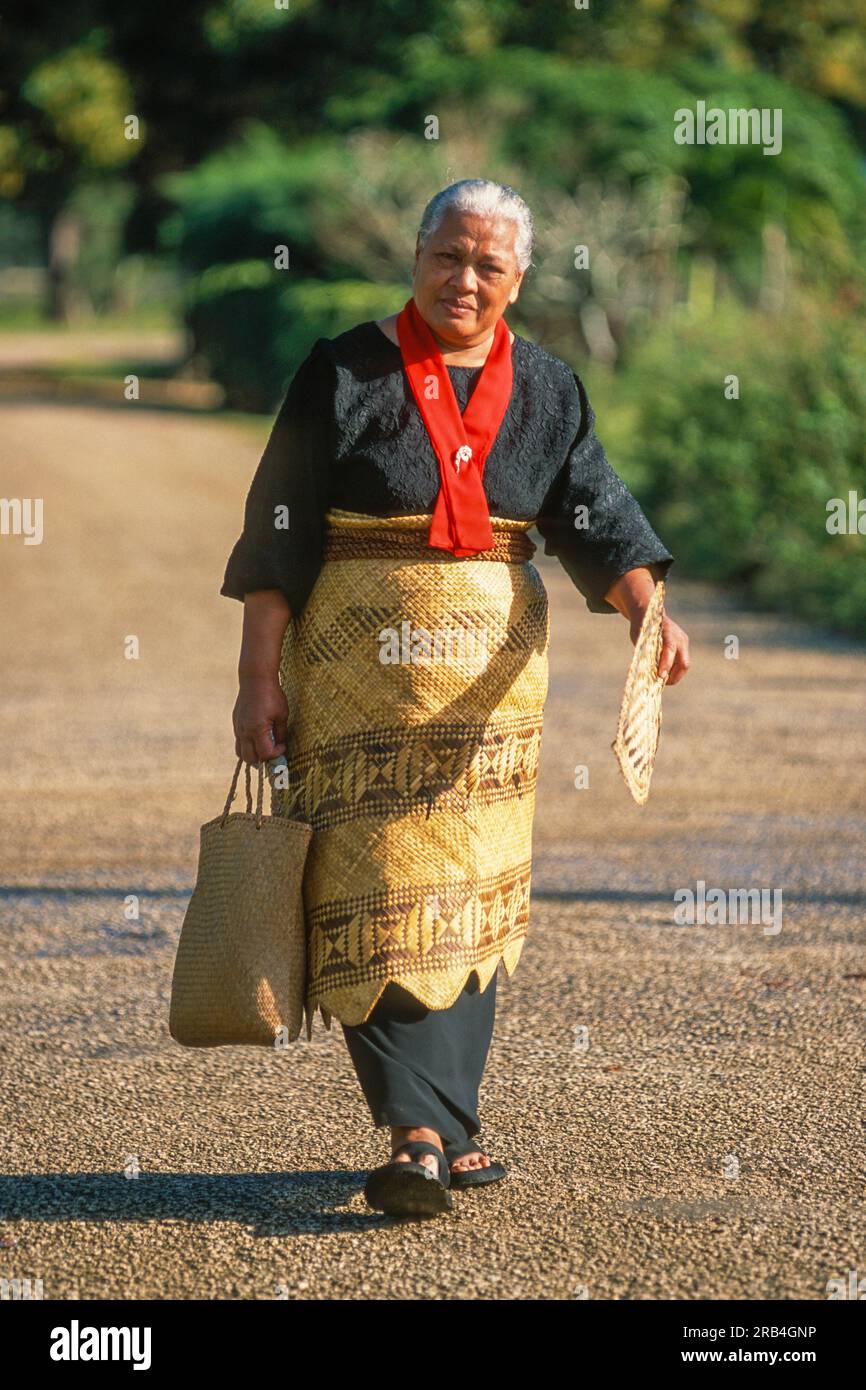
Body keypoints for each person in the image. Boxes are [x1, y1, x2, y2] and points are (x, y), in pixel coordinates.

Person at [221, 178, 690, 1219]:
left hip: (494, 686)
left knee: (468, 887)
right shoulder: (341, 369)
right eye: (448, 255)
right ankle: (417, 1131)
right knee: (374, 883)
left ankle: (447, 1125)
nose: (463, 279)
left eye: (487, 265)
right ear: (417, 252)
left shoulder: (550, 387)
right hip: (353, 674)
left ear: (516, 277)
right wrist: (259, 675)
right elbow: (279, 527)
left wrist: (644, 610)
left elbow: (592, 509)